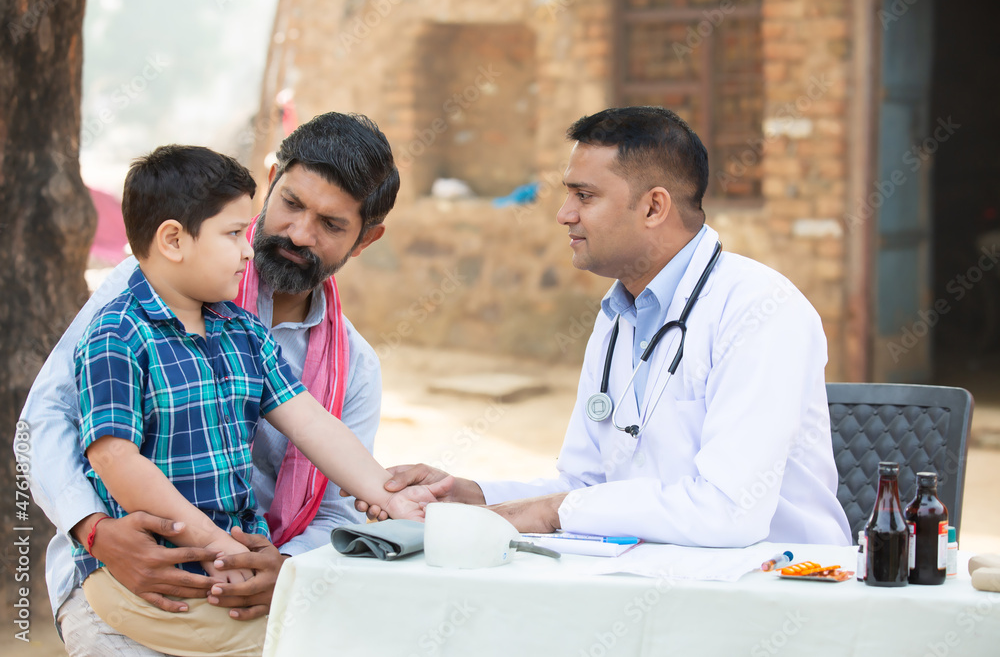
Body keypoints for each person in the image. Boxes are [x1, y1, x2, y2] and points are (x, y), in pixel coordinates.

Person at [354, 106, 852, 547]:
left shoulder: (761, 311)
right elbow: (585, 488)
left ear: (653, 207)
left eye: (584, 196)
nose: (563, 214)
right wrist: (469, 495)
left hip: (776, 582)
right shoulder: (618, 315)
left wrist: (547, 513)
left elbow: (727, 512)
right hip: (657, 579)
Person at [19, 111, 403, 654]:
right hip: (124, 574)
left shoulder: (344, 364)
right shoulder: (141, 293)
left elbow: (335, 496)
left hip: (249, 591)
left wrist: (289, 566)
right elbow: (45, 422)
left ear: (366, 239)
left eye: (331, 225)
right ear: (271, 179)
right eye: (291, 203)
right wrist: (94, 530)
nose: (298, 233)